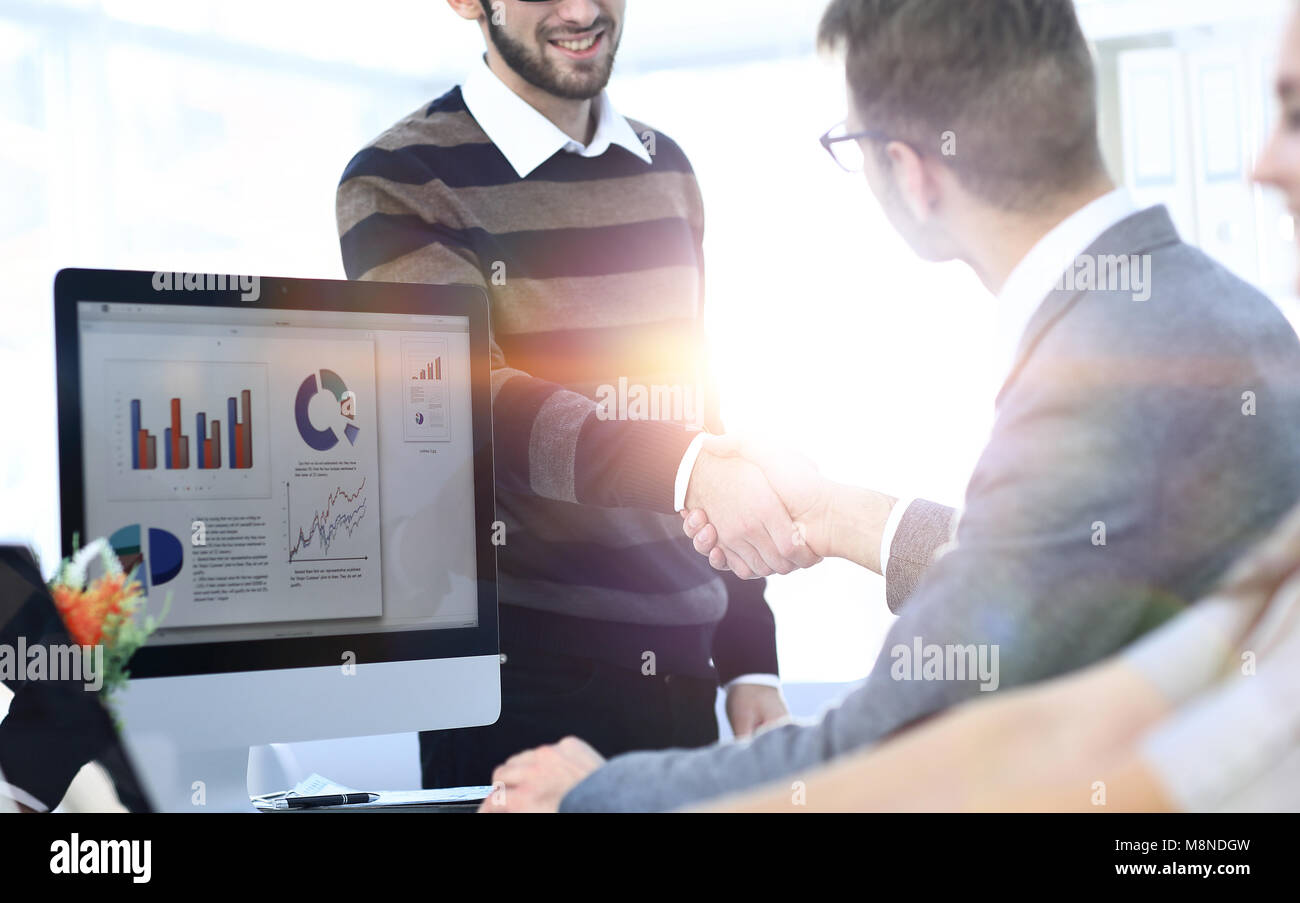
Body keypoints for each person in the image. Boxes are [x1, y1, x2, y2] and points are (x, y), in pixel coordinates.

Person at [479, 0, 1300, 812]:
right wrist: (837, 515)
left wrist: (594, 793)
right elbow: (1062, 580)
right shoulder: (1217, 311)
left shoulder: (1104, 372)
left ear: (911, 169)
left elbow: (887, 749)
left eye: (852, 147)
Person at [336, 0, 815, 789]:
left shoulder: (669, 170)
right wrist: (688, 468)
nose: (583, 9)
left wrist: (748, 657)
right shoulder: (398, 180)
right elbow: (471, 406)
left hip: (684, 677)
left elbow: (700, 410)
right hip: (518, 686)